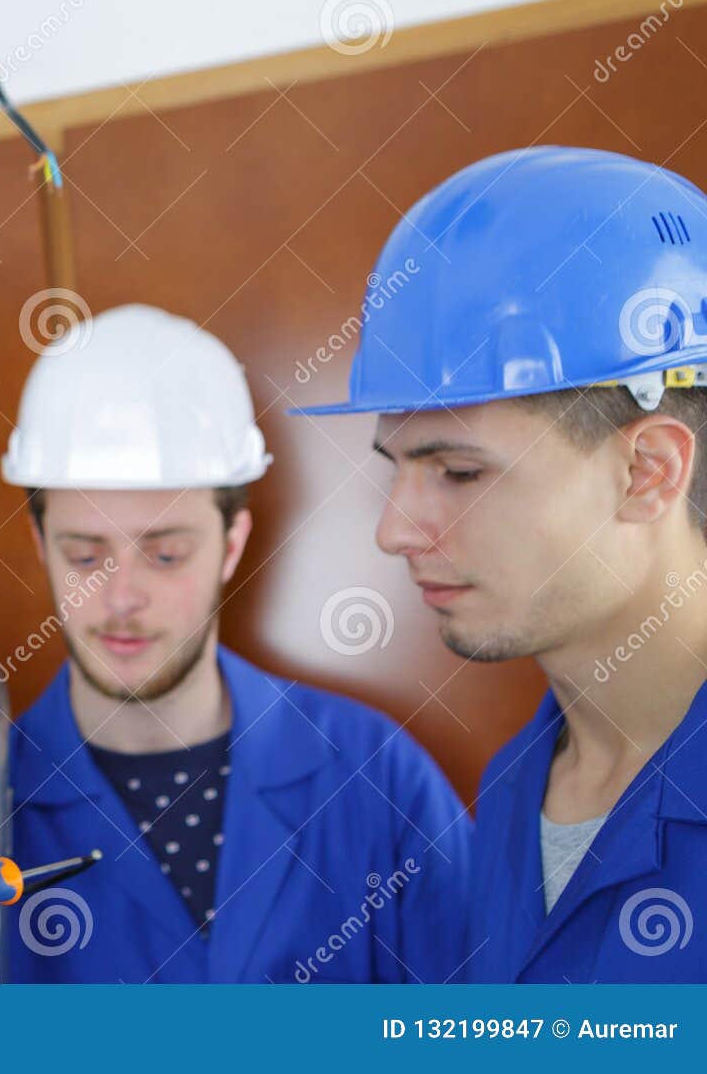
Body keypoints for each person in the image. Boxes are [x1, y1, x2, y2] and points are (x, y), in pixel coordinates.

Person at [0, 304, 470, 982]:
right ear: (41, 547)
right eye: (84, 555)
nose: (121, 596)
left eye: (164, 555)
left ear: (231, 545)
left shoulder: (378, 779)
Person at [293, 145, 707, 982]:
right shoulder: (517, 786)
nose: (396, 531)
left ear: (650, 471)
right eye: (395, 466)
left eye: (459, 472)